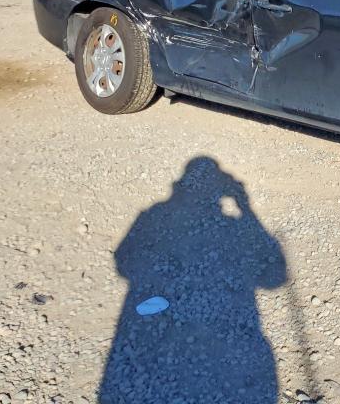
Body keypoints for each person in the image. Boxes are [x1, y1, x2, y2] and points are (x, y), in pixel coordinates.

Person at [99, 157, 286, 403]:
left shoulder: (155, 213)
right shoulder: (166, 215)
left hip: (149, 334)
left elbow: (124, 262)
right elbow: (275, 278)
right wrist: (246, 207)